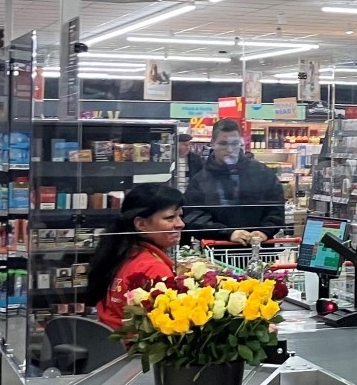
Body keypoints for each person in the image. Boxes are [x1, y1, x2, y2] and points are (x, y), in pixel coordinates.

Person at [87, 184, 186, 330]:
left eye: (180, 216)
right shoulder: (153, 268)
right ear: (141, 224)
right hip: (134, 351)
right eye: (170, 218)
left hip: (111, 348)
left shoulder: (121, 253)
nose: (181, 224)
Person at [183, 119, 286, 245]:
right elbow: (194, 216)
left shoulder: (262, 173)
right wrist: (228, 233)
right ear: (213, 143)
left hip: (260, 251)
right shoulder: (200, 180)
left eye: (235, 143)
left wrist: (264, 231)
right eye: (223, 143)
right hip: (216, 254)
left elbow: (276, 208)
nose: (230, 149)